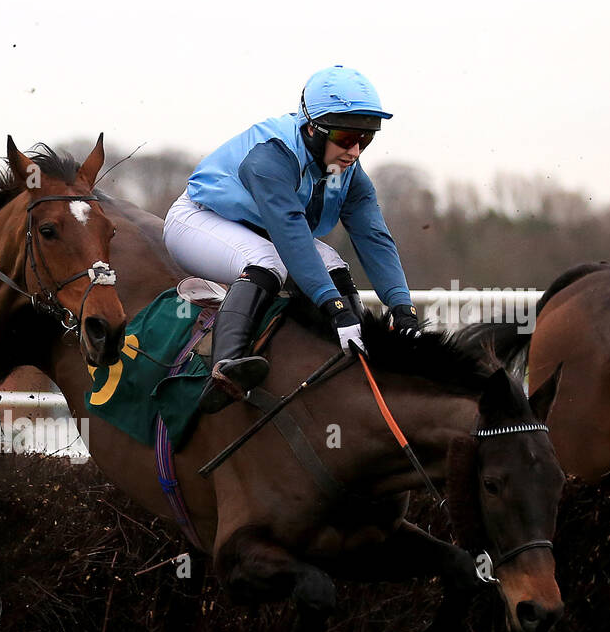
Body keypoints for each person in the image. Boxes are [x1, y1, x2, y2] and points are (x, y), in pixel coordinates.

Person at [163, 65, 419, 413]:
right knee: (266, 263)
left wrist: (402, 306)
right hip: (200, 219)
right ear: (312, 127)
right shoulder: (271, 156)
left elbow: (374, 237)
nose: (355, 151)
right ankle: (226, 370)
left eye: (366, 139)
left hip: (259, 228)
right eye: (345, 138)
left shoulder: (344, 171)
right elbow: (291, 234)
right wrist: (335, 308)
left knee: (334, 265)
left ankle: (352, 359)